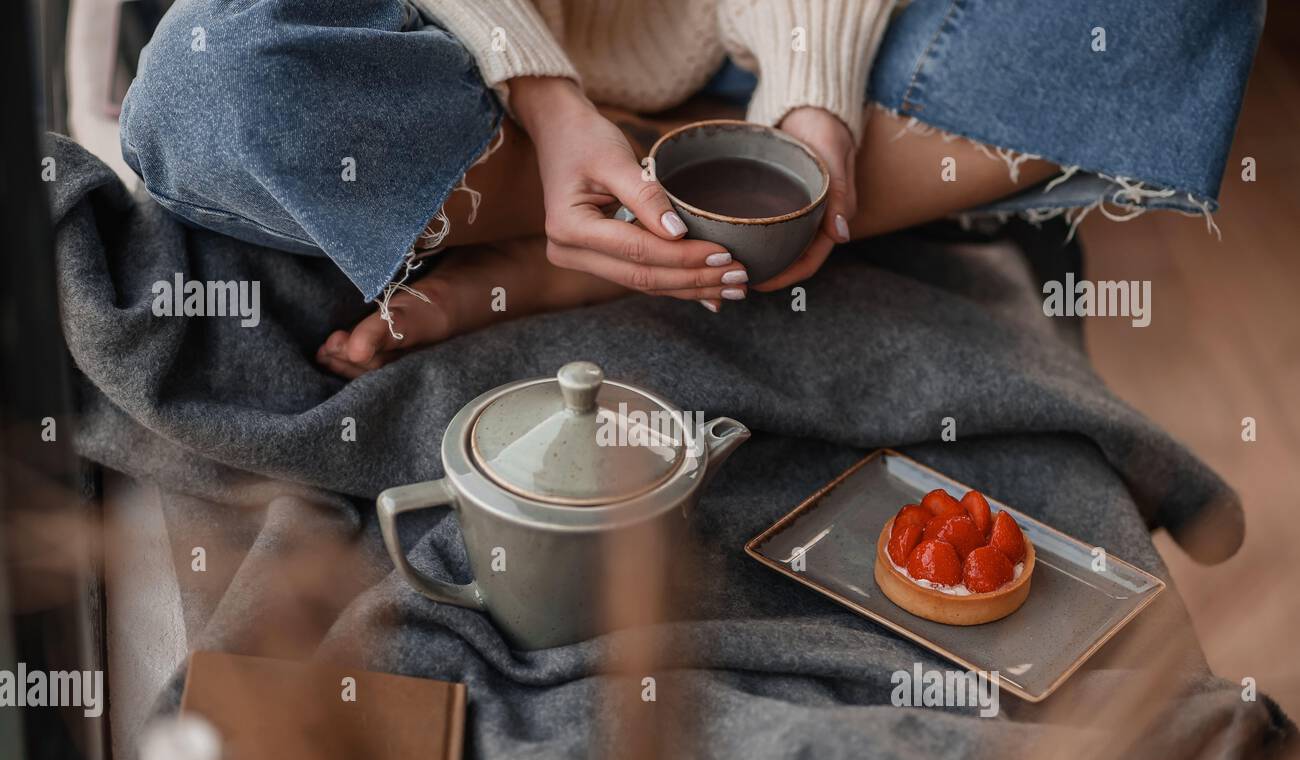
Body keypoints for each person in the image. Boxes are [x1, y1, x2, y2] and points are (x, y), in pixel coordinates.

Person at [120, 0, 1265, 378]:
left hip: (775, 36)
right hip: (466, 52)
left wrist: (815, 88)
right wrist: (547, 97)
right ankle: (660, 194)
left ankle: (597, 235)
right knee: (210, 84)